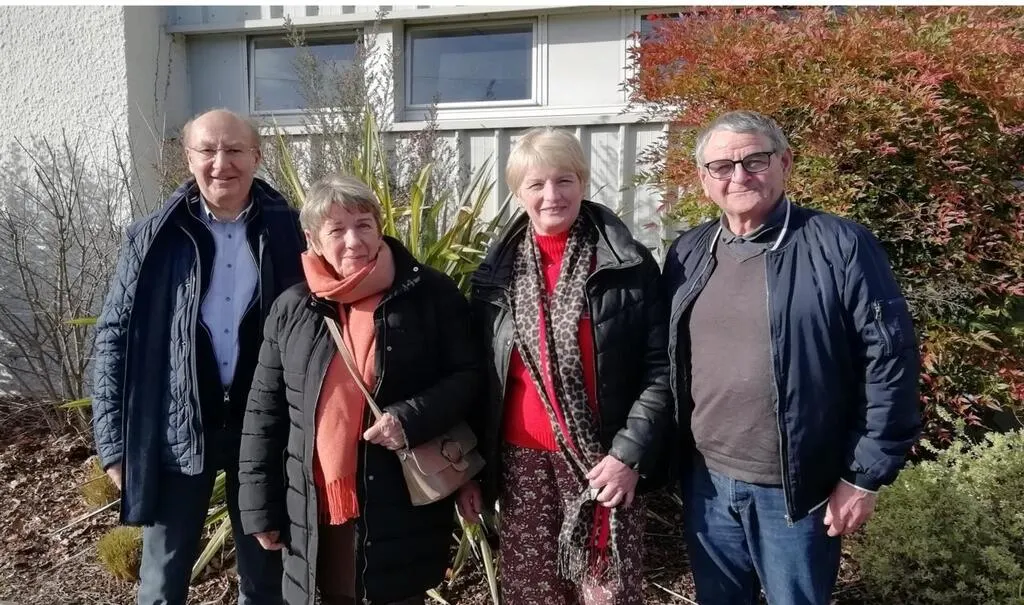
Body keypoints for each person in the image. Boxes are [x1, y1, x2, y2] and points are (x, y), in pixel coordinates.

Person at [662, 110, 922, 604]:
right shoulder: (689, 251)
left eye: (755, 160)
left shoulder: (840, 245)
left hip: (797, 491)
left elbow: (890, 363)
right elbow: (667, 361)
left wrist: (861, 476)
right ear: (703, 179)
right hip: (707, 483)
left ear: (784, 162)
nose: (739, 175)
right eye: (722, 166)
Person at [91, 108, 305, 604]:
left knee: (267, 578)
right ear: (188, 157)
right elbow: (114, 335)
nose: (220, 163)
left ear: (257, 155)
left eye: (234, 150)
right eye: (207, 150)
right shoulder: (153, 237)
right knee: (163, 582)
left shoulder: (292, 232)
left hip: (266, 431)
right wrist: (114, 444)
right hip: (177, 431)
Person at [236, 174, 482, 605]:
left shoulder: (430, 295)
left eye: (364, 225)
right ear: (313, 240)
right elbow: (264, 413)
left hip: (399, 505)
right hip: (312, 509)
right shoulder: (293, 308)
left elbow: (470, 377)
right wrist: (258, 505)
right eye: (337, 230)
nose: (354, 241)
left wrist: (409, 418)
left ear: (381, 225)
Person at [458, 127, 673, 604]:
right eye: (536, 185)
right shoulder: (496, 275)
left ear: (582, 182)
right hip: (521, 463)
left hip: (603, 462)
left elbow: (662, 370)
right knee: (533, 593)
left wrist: (628, 456)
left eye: (564, 180)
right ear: (518, 193)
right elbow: (479, 379)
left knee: (606, 592)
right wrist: (470, 470)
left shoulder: (627, 265)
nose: (551, 195)